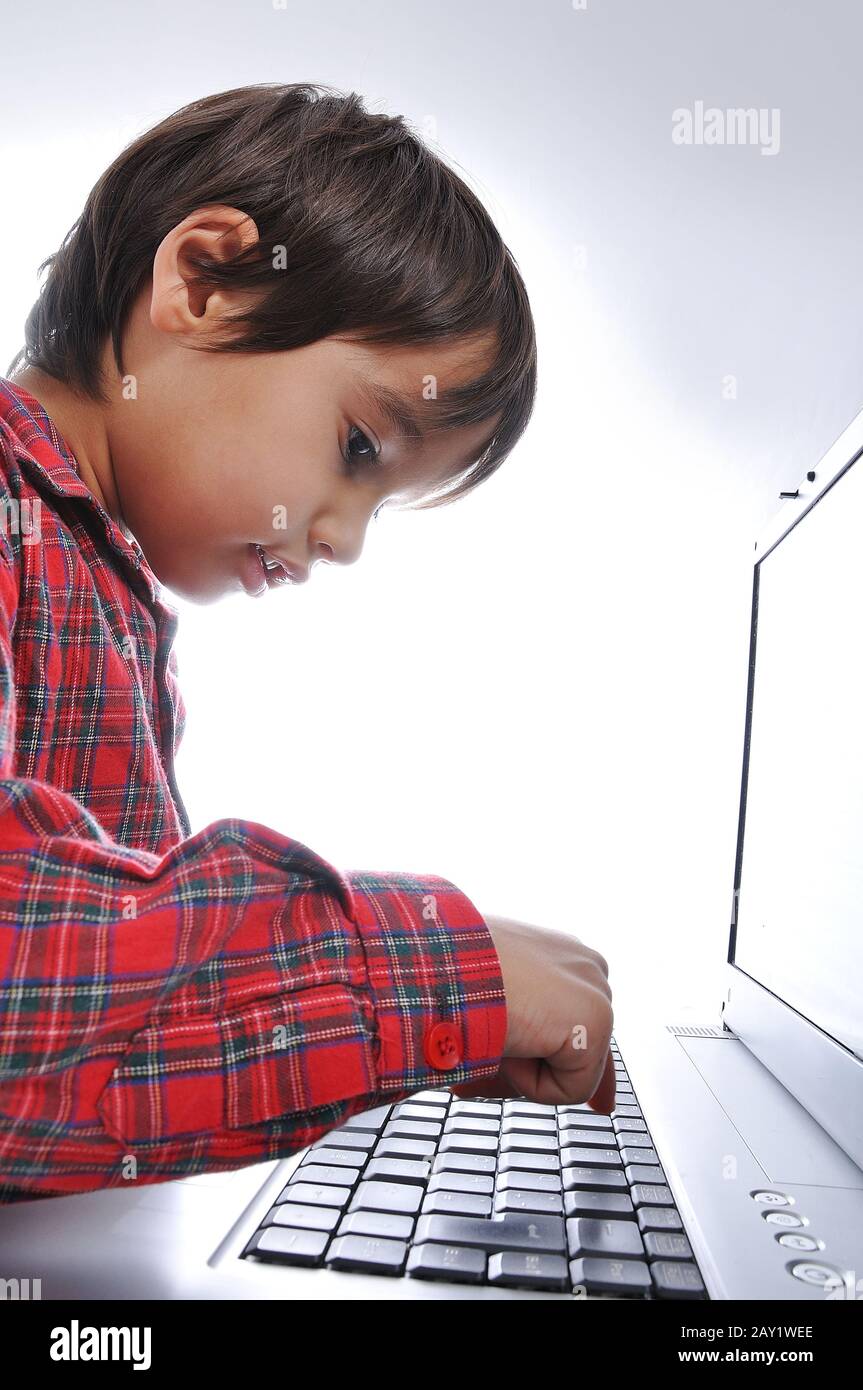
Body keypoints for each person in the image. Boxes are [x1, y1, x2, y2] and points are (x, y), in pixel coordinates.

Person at [0, 82, 614, 1203]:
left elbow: (129, 1031)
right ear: (203, 281)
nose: (343, 541)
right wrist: (435, 965)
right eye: (357, 447)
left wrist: (418, 1033)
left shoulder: (98, 590)